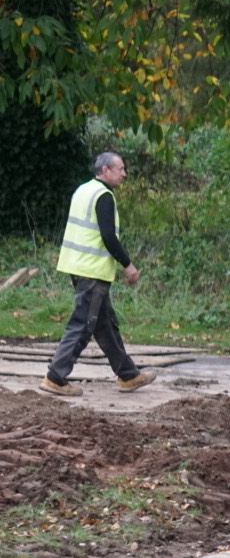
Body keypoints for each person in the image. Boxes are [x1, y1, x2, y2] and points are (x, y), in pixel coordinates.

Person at [41, 152, 158, 397]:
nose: (124, 174)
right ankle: (55, 377)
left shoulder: (83, 190)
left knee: (105, 326)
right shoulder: (104, 196)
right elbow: (107, 236)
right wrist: (128, 265)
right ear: (105, 171)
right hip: (91, 271)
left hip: (78, 266)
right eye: (120, 169)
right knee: (82, 324)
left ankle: (128, 375)